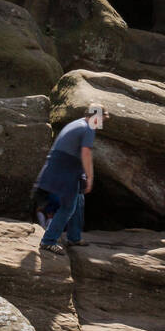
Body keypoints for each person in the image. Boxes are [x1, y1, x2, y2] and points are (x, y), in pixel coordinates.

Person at [35, 104, 107, 255]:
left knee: (79, 201)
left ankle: (74, 237)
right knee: (68, 207)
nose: (103, 122)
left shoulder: (76, 123)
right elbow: (86, 153)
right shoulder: (87, 128)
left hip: (61, 168)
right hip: (65, 170)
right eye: (102, 118)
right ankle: (48, 241)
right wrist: (90, 177)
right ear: (96, 117)